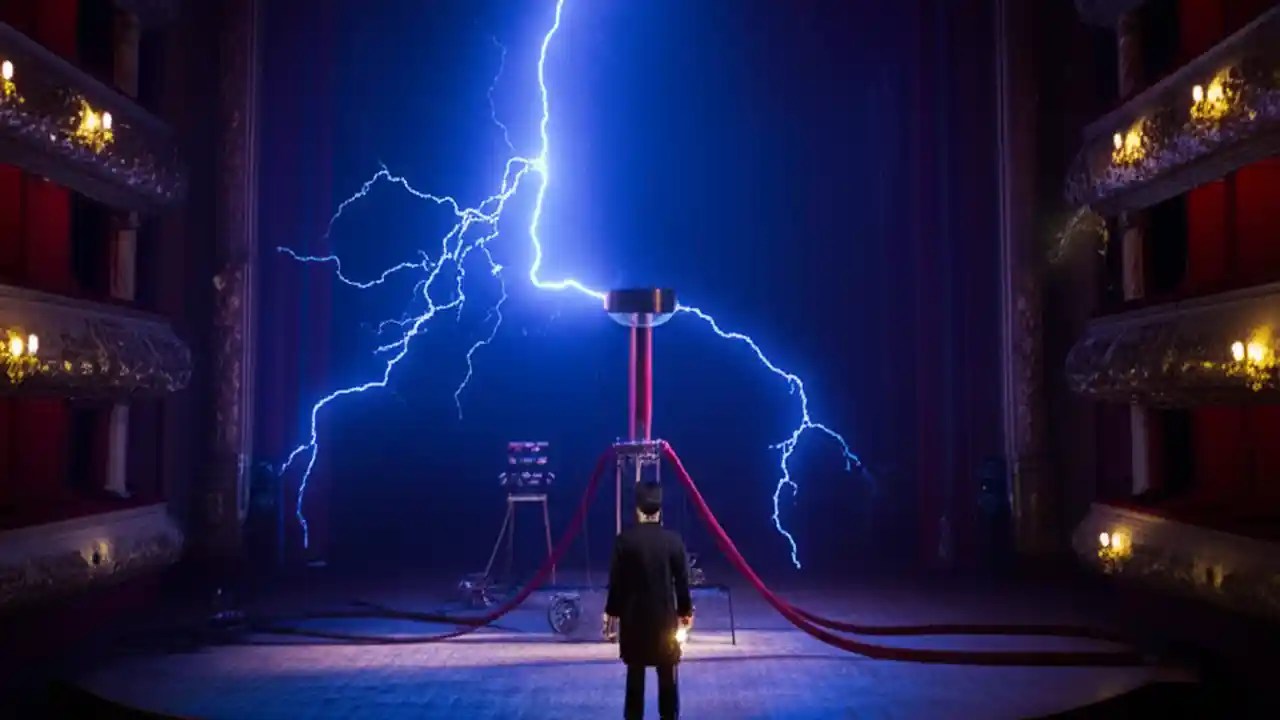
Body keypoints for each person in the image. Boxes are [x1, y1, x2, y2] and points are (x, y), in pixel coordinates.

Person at [605, 481, 693, 720]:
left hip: (633, 621)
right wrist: (685, 612)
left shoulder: (624, 541)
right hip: (664, 620)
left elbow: (616, 584)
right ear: (660, 510)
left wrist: (611, 614)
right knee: (667, 676)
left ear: (637, 509)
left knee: (635, 676)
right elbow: (682, 582)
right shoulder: (673, 541)